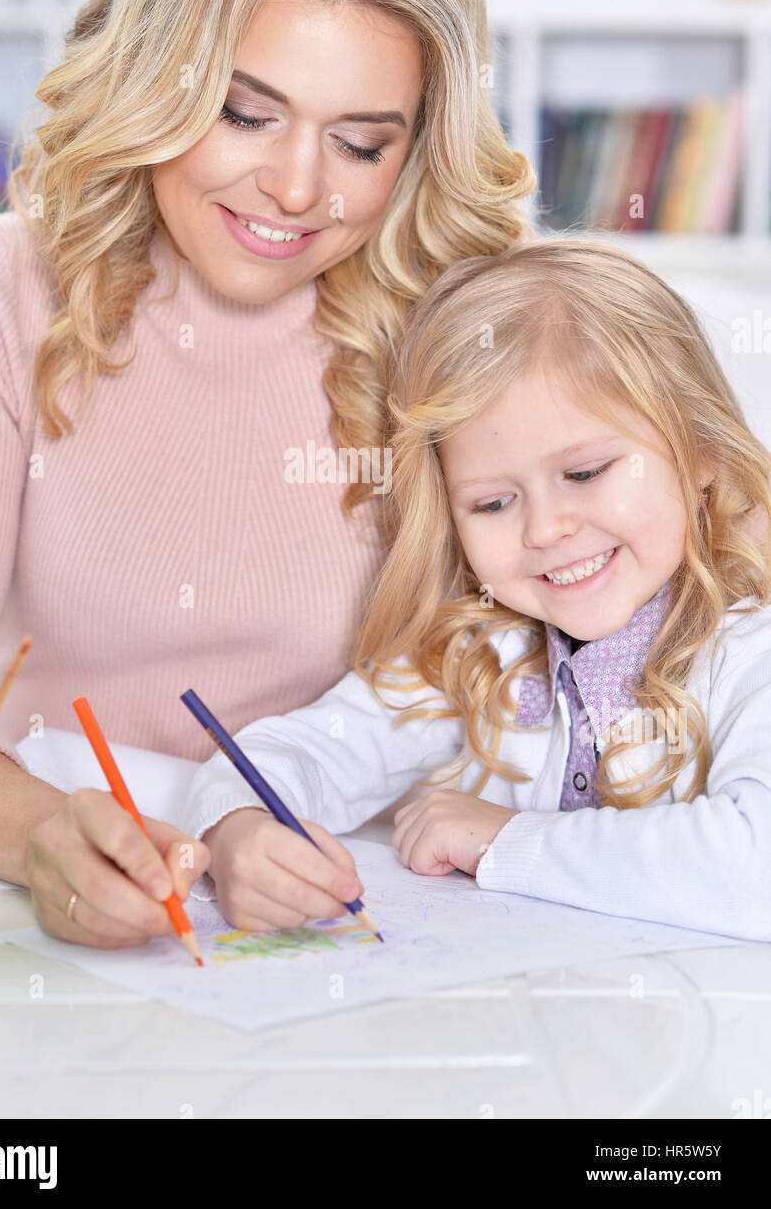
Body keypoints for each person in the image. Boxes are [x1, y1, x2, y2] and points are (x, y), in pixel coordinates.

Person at [0, 0, 533, 950]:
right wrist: (40, 834)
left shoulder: (457, 322)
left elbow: (554, 648)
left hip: (362, 899)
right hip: (64, 878)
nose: (295, 188)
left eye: (359, 143)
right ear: (155, 81)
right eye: (245, 114)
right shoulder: (15, 284)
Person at [189, 237, 771, 941]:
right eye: (493, 503)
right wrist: (239, 826)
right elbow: (305, 752)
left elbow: (754, 868)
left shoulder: (750, 649)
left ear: (701, 454)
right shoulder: (478, 648)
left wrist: (503, 838)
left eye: (585, 473)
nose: (546, 528)